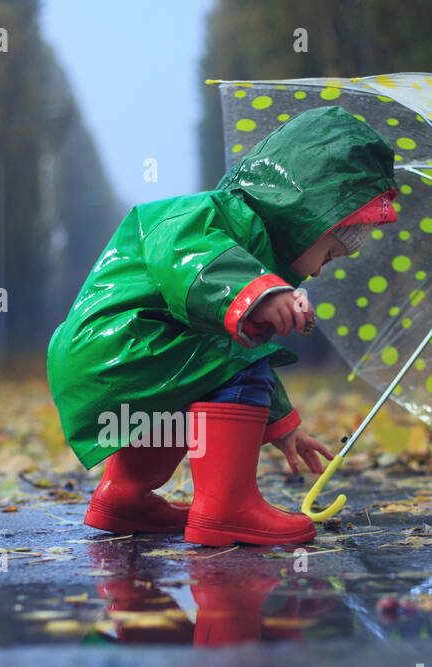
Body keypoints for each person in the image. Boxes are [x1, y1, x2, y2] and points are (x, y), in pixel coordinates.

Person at [47, 105, 400, 546]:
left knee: (213, 363)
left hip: (122, 358)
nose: (321, 271)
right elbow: (185, 257)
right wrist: (259, 292)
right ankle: (225, 506)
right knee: (234, 346)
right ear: (311, 218)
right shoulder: (217, 218)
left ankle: (123, 495)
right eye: (329, 254)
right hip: (123, 346)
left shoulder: (246, 240)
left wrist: (284, 426)